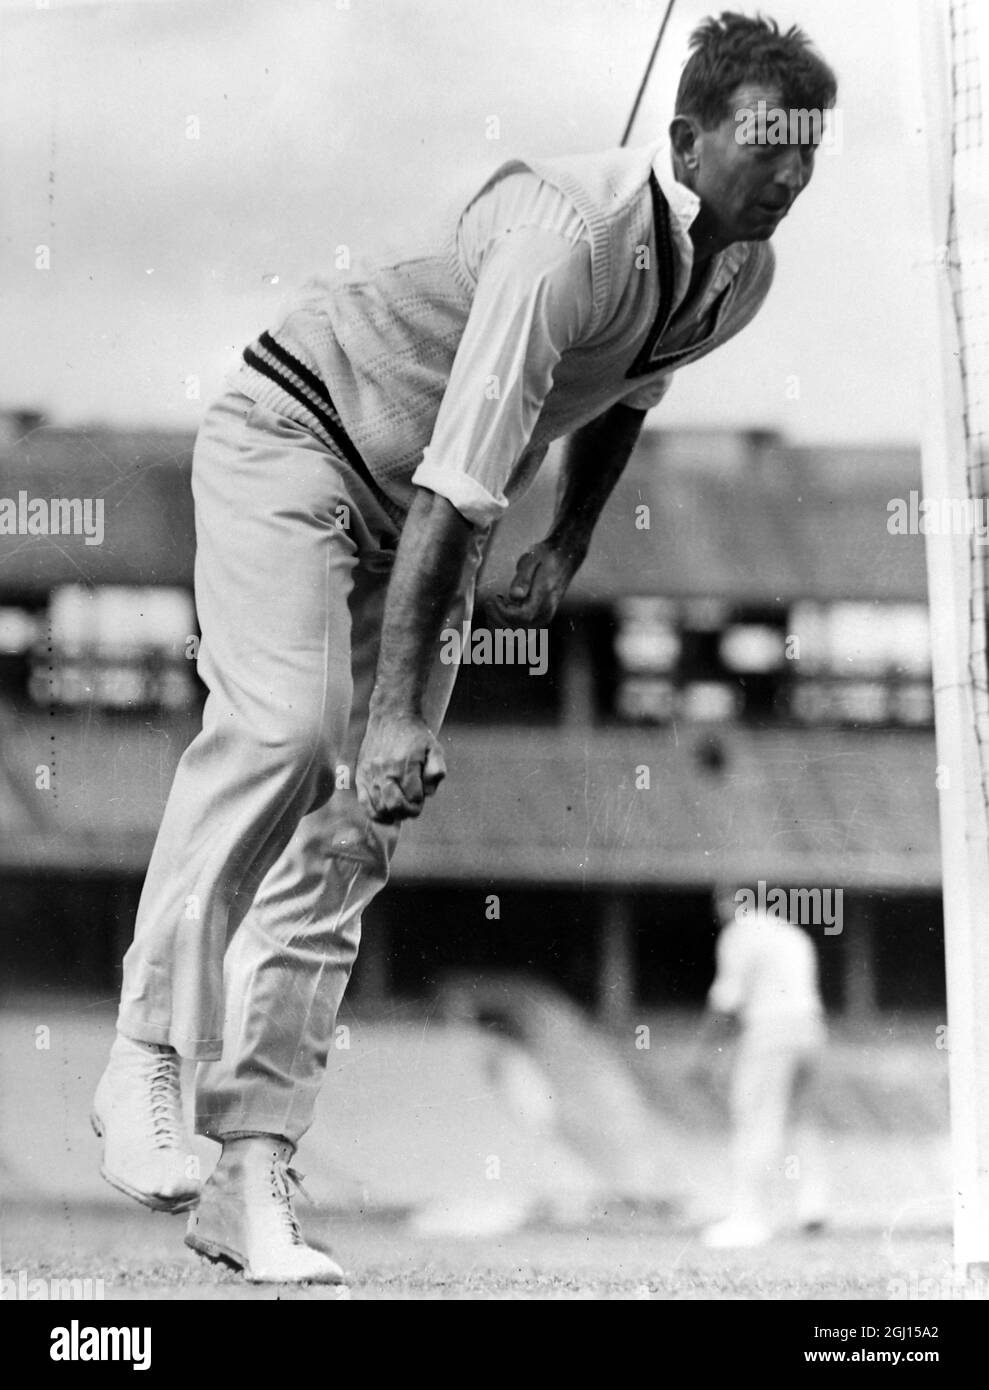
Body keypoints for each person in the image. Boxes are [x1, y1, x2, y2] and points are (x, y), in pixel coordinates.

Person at [92, 12, 838, 1282]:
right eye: (763, 140)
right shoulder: (567, 241)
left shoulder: (740, 276)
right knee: (293, 732)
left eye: (807, 147)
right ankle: (147, 1052)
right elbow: (456, 490)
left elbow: (625, 393)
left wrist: (571, 548)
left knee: (358, 831)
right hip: (303, 433)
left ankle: (250, 1175)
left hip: (428, 509)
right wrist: (393, 712)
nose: (788, 170)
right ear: (685, 139)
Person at [695, 885, 829, 1249]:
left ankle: (748, 1217)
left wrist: (705, 1054)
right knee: (800, 1120)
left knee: (756, 1119)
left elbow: (727, 1000)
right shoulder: (791, 933)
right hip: (811, 1029)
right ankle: (811, 1207)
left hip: (771, 1032)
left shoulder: (740, 933)